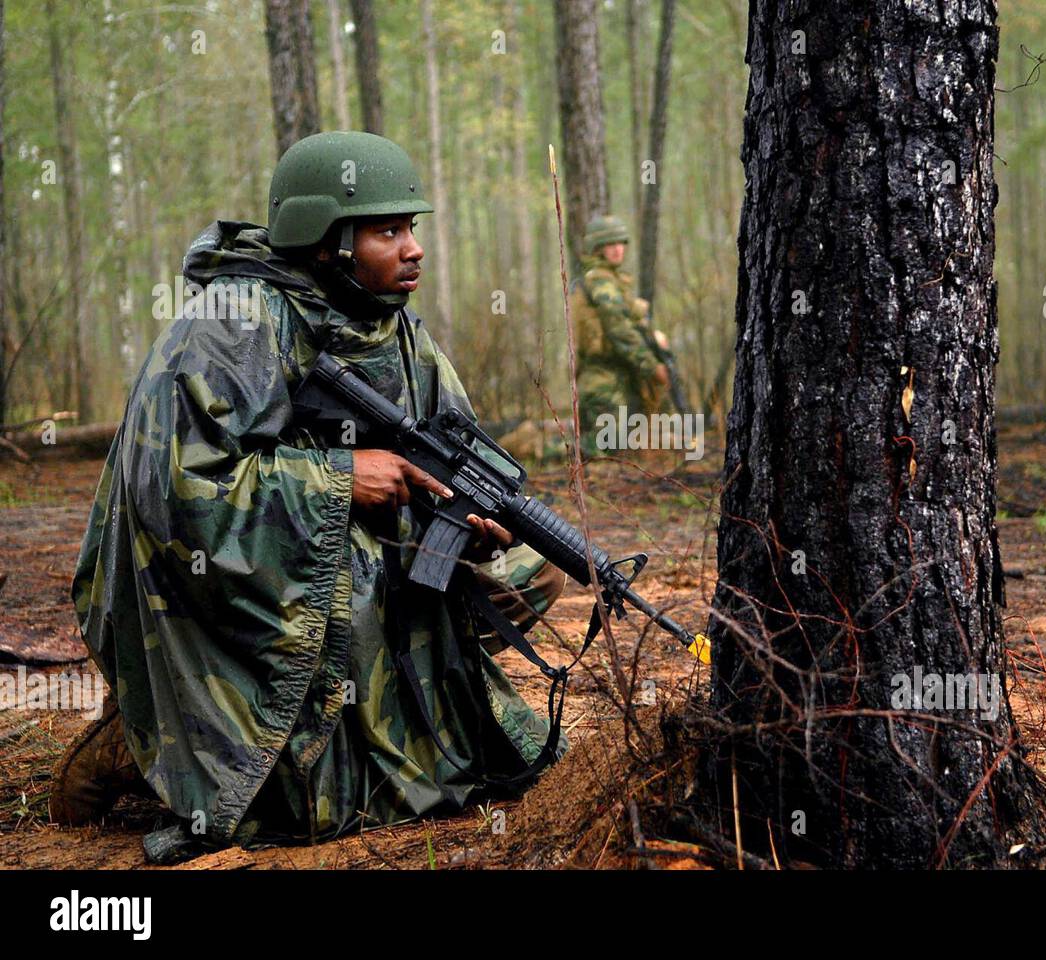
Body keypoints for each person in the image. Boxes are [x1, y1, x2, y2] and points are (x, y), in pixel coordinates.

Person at [54, 131, 568, 861]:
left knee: (531, 572)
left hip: (352, 565)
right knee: (352, 577)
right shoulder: (231, 322)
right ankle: (146, 736)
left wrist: (468, 520)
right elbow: (173, 491)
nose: (414, 247)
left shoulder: (395, 330)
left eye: (413, 227)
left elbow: (445, 458)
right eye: (389, 229)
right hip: (222, 582)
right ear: (325, 240)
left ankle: (395, 721)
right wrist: (336, 479)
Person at [570, 215, 670, 454]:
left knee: (632, 442)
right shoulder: (601, 282)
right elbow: (619, 330)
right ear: (597, 248)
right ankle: (535, 446)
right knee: (603, 448)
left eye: (620, 243)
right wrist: (651, 366)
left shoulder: (613, 281)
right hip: (603, 381)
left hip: (618, 379)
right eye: (609, 244)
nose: (617, 249)